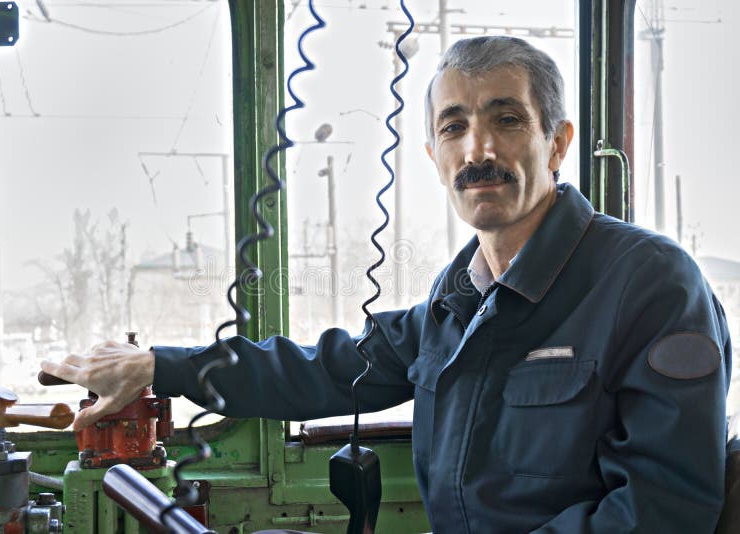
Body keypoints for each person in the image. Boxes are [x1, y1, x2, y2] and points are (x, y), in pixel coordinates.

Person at [41, 36, 732, 532]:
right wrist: (158, 366)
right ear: (434, 158)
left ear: (556, 143)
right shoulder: (455, 301)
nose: (478, 150)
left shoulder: (651, 285)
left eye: (507, 119)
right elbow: (320, 371)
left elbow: (661, 510)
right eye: (454, 127)